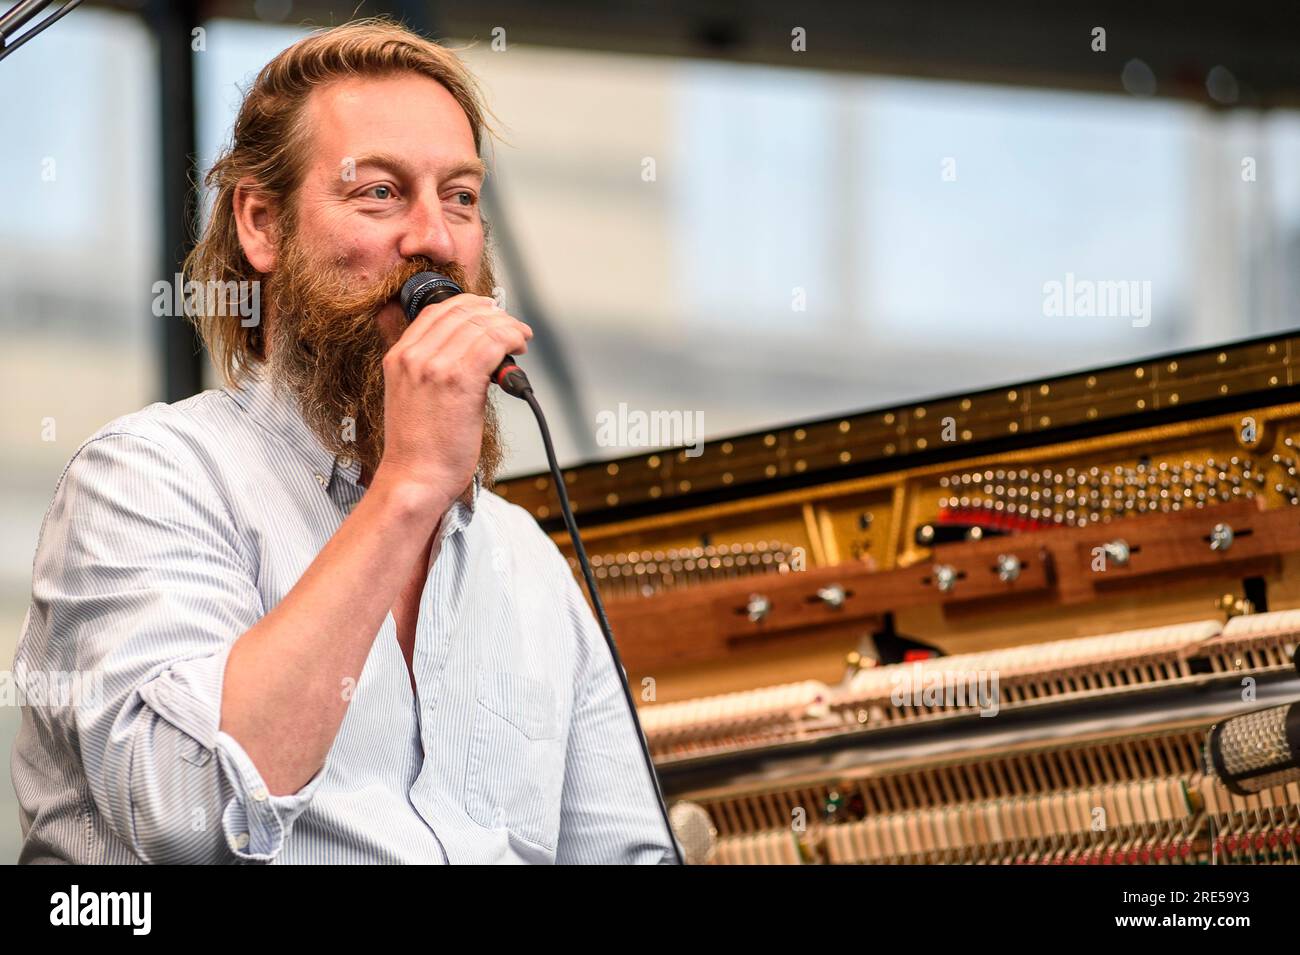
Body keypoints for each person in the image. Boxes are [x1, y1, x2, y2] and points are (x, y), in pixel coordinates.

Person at [11, 18, 677, 864]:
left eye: (461, 197)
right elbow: (185, 813)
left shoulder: (528, 562)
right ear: (261, 223)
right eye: (380, 193)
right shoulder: (146, 479)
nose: (435, 238)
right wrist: (405, 488)